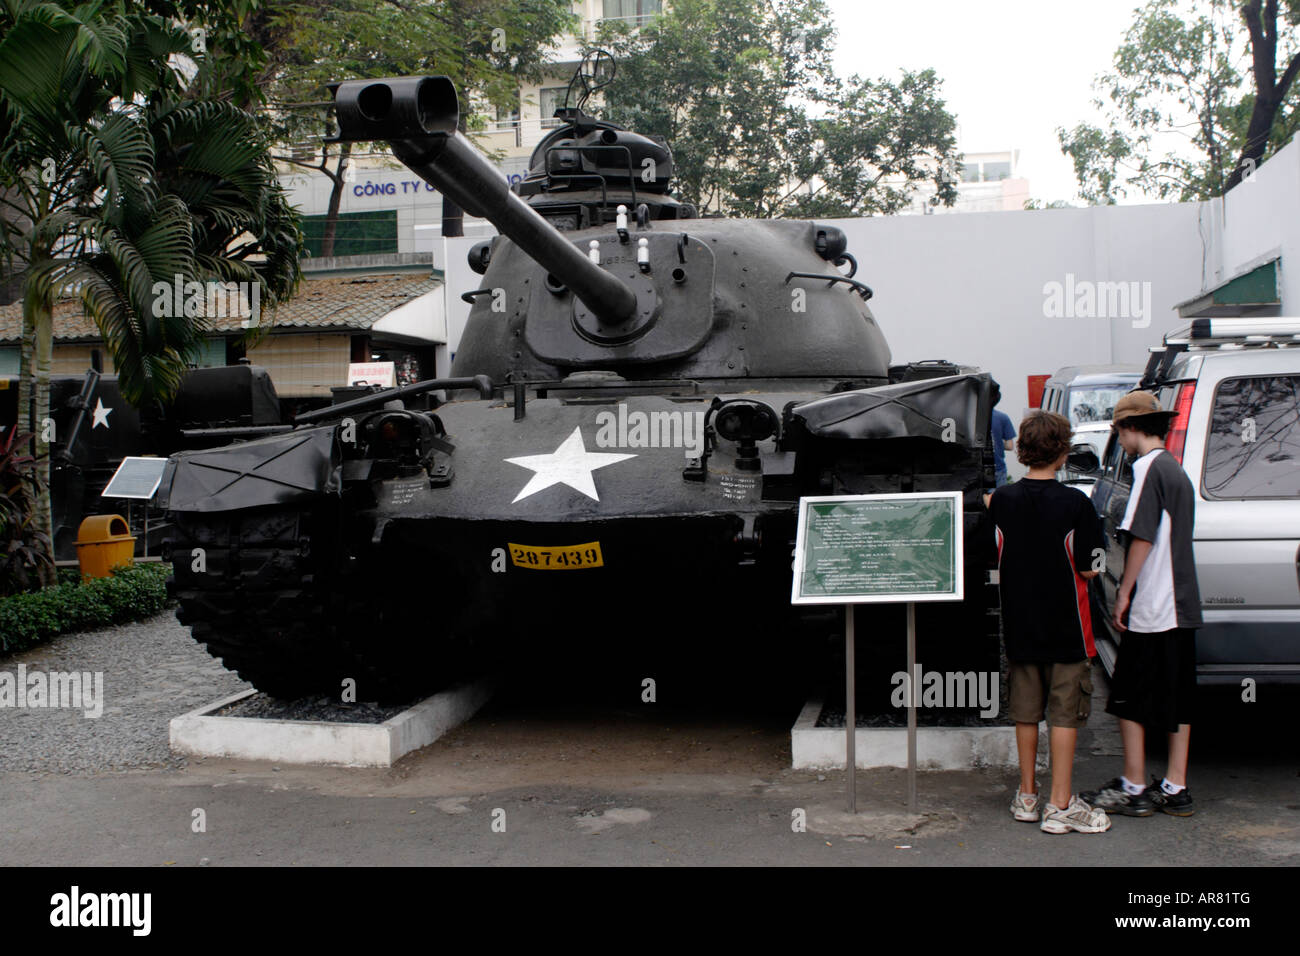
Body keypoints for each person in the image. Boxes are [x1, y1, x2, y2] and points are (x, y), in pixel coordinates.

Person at [988, 410, 1110, 834]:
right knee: (1064, 714)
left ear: (1022, 450)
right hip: (1068, 628)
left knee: (1025, 713)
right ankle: (1060, 804)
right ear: (1062, 452)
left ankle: (1026, 796)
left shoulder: (1002, 500)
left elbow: (993, 554)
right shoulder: (1076, 503)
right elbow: (1092, 567)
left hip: (1021, 626)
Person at [1082, 391, 1201, 817]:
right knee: (1179, 697)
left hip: (1154, 603)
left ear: (1128, 428)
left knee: (1128, 696)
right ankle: (1175, 785)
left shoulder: (1147, 469)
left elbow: (1142, 538)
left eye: (1119, 430)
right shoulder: (1176, 470)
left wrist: (1125, 593)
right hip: (1182, 601)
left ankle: (1133, 785)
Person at [990, 381, 1016, 486]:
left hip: (976, 468)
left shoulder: (972, 418)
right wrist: (997, 442)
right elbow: (1010, 446)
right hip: (998, 467)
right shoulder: (1002, 417)